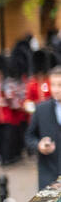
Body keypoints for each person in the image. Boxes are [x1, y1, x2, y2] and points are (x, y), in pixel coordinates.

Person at [25, 58, 61, 190]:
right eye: (53, 85)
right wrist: (39, 145)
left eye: (60, 85)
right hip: (48, 177)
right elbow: (29, 137)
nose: (56, 89)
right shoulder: (41, 109)